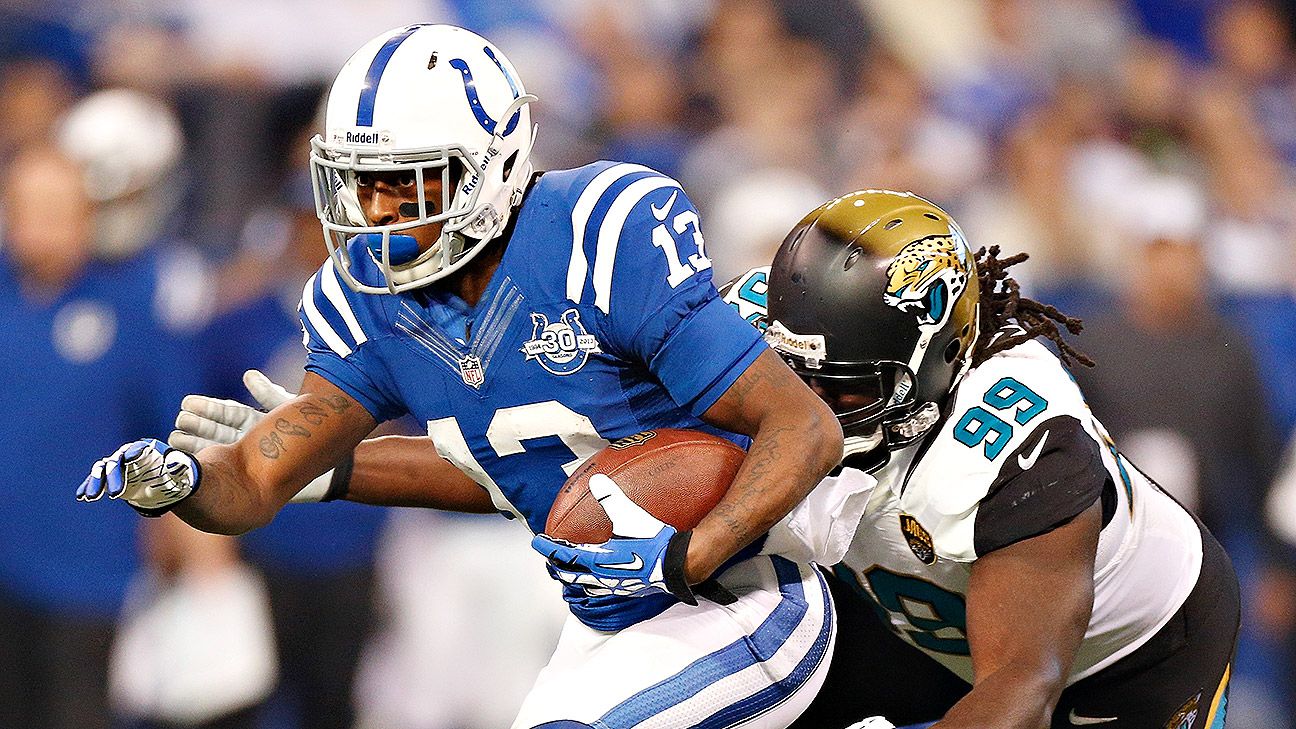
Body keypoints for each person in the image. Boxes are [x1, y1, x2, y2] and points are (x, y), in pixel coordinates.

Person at [78, 23, 846, 729]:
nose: (379, 212)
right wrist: (184, 480)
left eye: (408, 182)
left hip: (738, 591)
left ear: (493, 163)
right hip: (609, 619)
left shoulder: (597, 238)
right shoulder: (367, 302)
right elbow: (253, 477)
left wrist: (690, 552)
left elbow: (804, 426)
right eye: (362, 182)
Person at [730, 190, 1240, 729]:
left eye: (845, 387)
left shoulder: (1021, 450)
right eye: (792, 376)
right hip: (918, 615)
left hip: (1133, 653)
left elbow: (1023, 687)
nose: (811, 410)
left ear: (939, 355)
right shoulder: (757, 319)